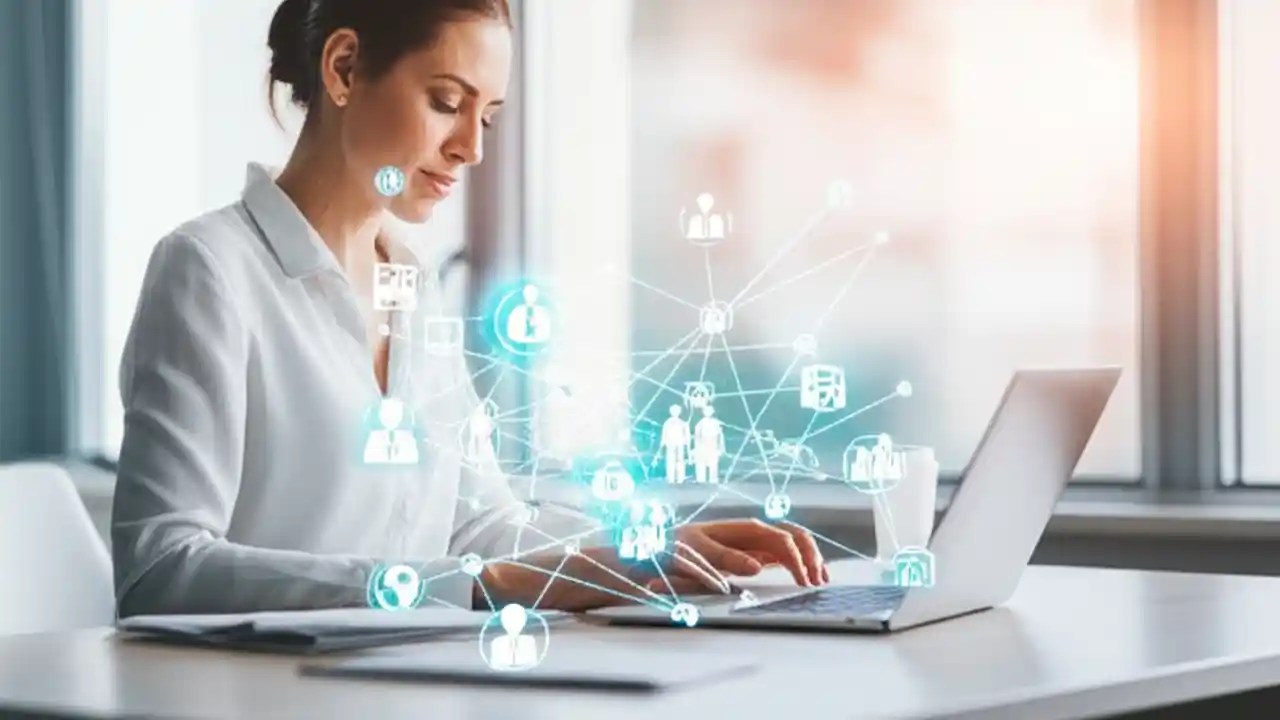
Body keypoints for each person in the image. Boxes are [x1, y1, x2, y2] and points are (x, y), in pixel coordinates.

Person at [111, 0, 829, 618]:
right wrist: (477, 588)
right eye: (447, 103)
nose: (470, 149)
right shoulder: (210, 270)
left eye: (486, 115)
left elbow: (481, 527)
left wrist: (643, 545)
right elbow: (160, 569)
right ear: (343, 67)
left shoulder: (414, 290)